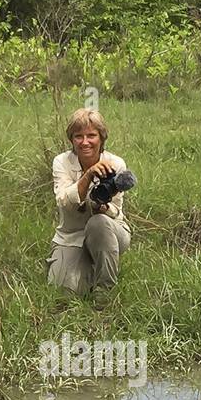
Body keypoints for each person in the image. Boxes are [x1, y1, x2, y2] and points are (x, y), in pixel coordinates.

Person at [47, 109, 132, 294]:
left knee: (99, 223)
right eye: (79, 136)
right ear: (72, 140)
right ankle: (92, 266)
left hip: (110, 231)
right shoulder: (62, 162)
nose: (85, 142)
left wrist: (102, 206)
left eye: (91, 136)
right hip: (71, 236)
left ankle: (104, 291)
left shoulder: (115, 163)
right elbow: (64, 203)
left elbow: (117, 211)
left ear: (101, 139)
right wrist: (88, 175)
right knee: (64, 291)